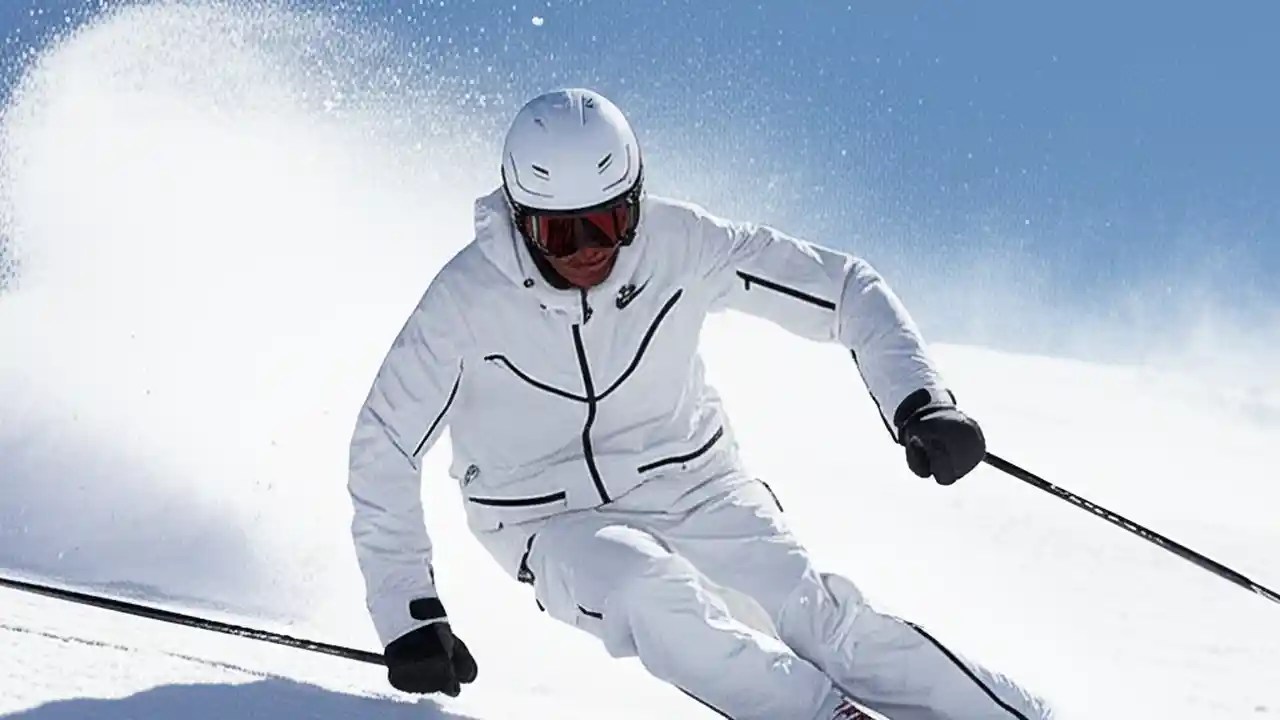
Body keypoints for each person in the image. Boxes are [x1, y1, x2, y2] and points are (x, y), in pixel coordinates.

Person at [348, 88, 1054, 720]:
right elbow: (386, 441)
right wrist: (406, 611)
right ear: (519, 217)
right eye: (561, 232)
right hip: (546, 515)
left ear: (637, 201)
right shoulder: (464, 304)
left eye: (608, 220)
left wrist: (919, 400)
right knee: (647, 594)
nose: (590, 250)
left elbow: (844, 289)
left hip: (697, 483)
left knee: (819, 619)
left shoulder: (681, 245)